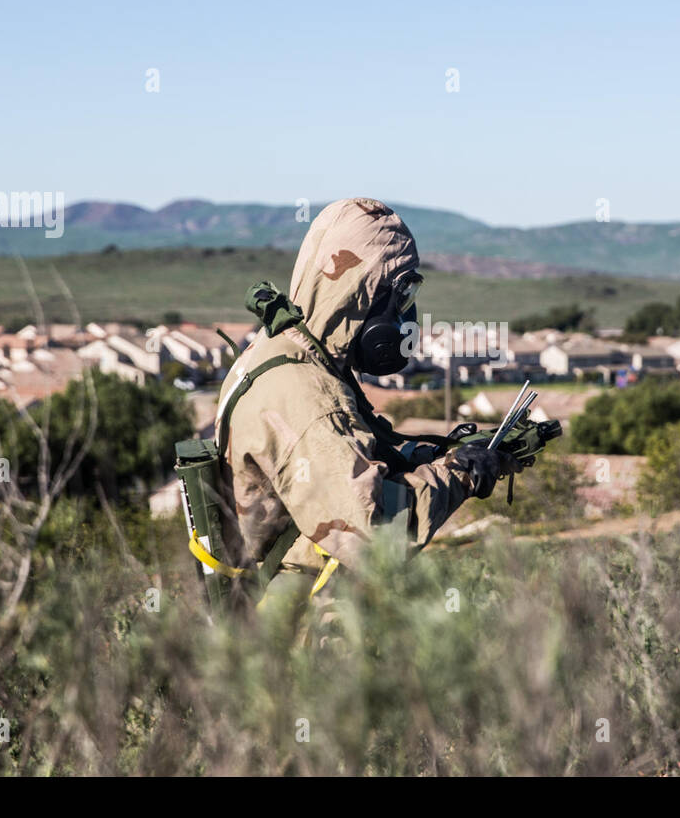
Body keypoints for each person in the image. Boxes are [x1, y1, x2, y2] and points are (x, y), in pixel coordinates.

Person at [212, 198, 521, 610]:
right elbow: (377, 538)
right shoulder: (308, 397)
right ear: (359, 292)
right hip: (300, 641)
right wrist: (462, 474)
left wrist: (430, 455)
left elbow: (349, 463)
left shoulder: (281, 351)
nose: (404, 313)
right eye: (397, 294)